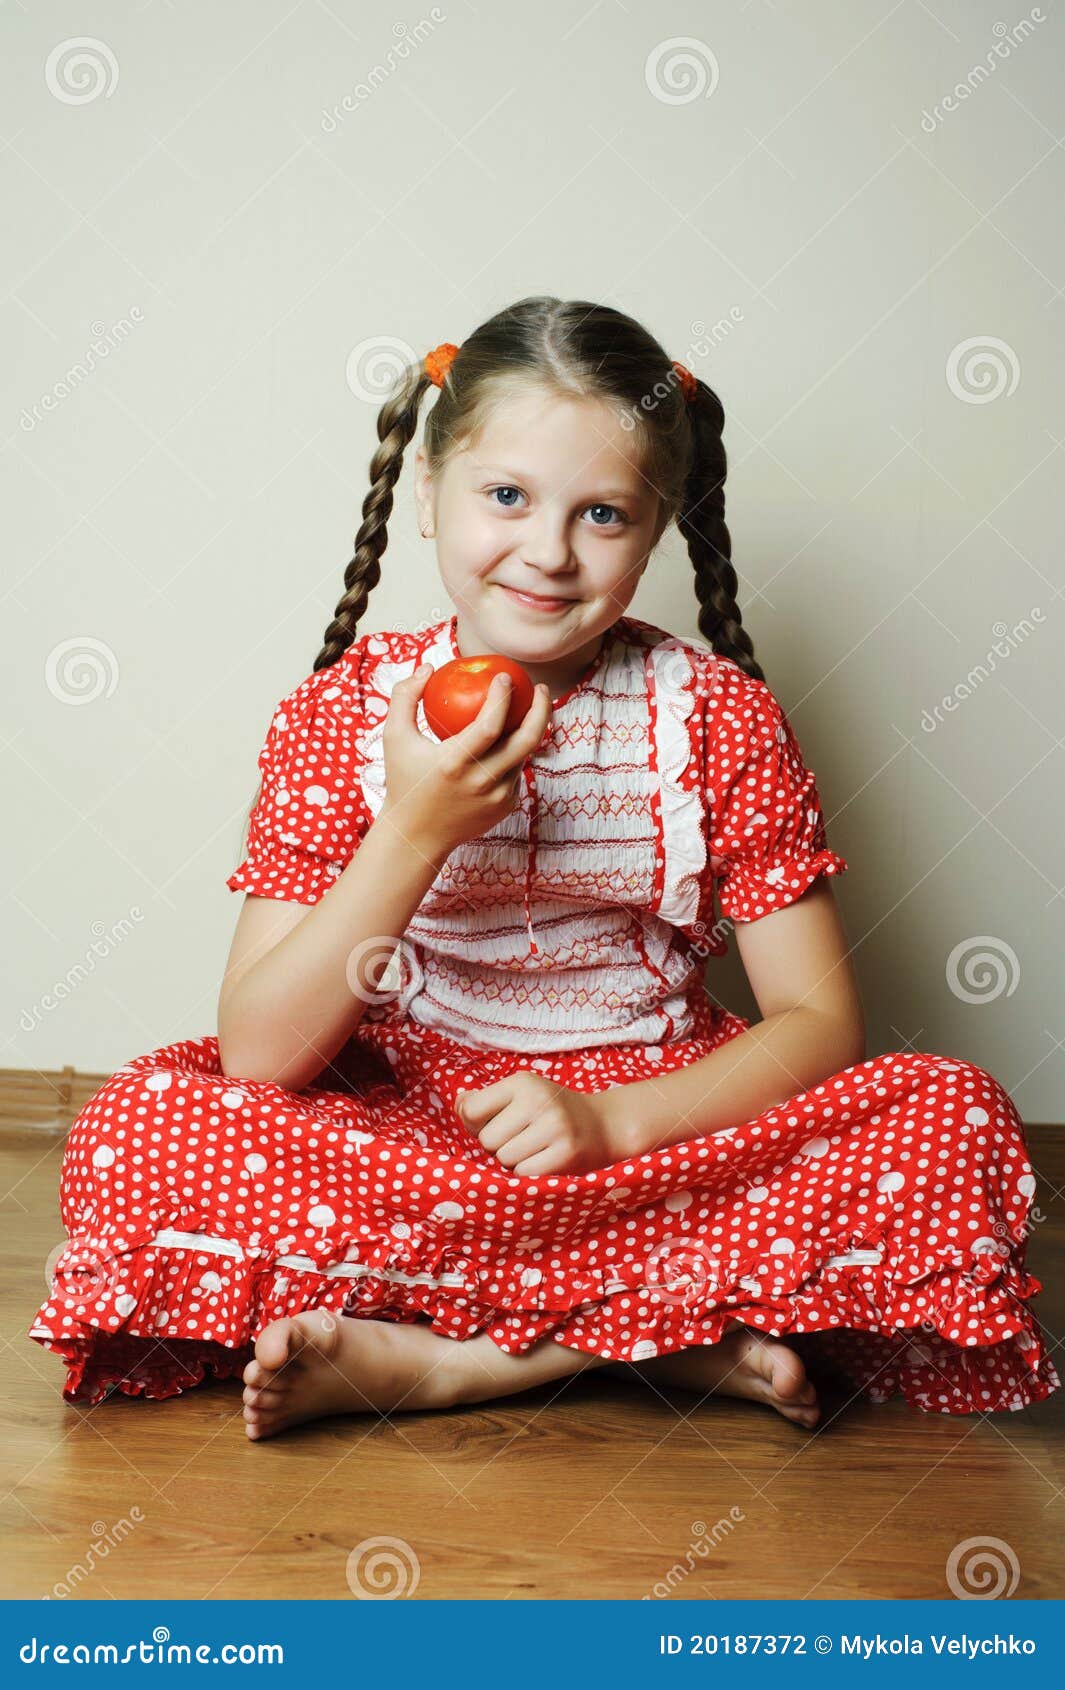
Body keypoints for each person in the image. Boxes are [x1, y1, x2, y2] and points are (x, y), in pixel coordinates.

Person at [30, 296, 1059, 1440]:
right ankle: (667, 1331)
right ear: (430, 492)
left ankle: (455, 1360)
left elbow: (819, 1024)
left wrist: (613, 1127)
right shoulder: (338, 716)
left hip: (656, 1129)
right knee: (137, 1123)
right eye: (507, 496)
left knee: (955, 1115)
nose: (549, 551)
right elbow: (262, 1055)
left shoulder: (719, 718)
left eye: (603, 513)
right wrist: (414, 829)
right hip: (412, 1135)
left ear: (657, 528)